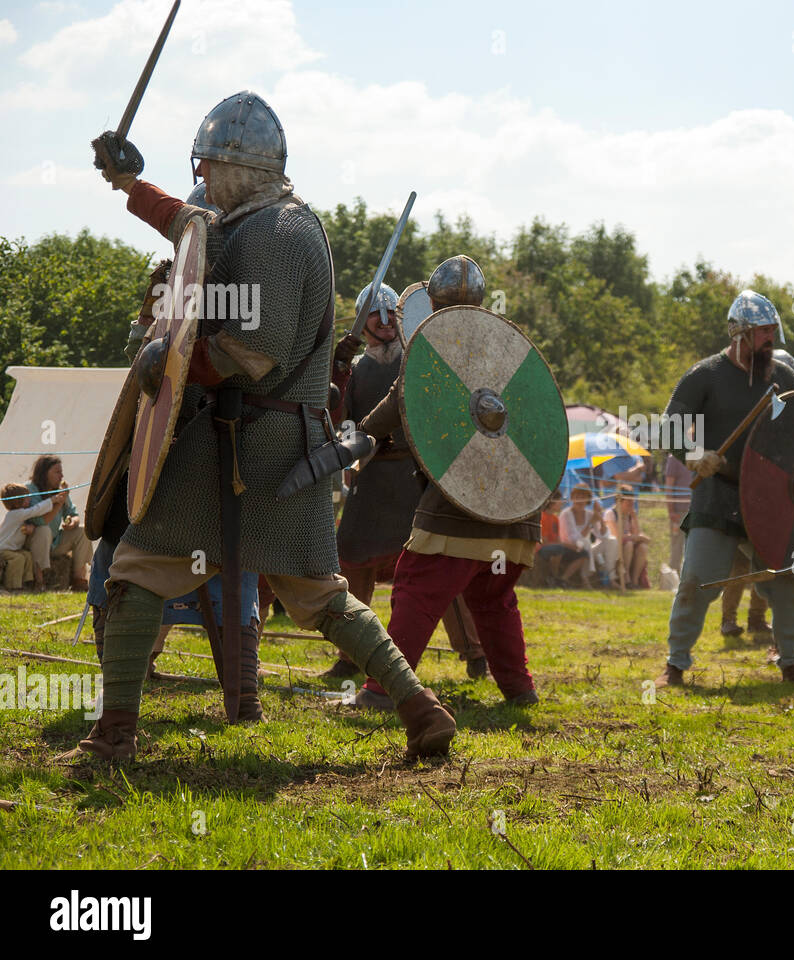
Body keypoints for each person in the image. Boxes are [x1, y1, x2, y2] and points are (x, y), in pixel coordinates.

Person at [67, 90, 456, 762]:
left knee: (136, 571)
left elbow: (255, 349)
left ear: (234, 168)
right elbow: (192, 232)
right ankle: (422, 710)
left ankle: (114, 738)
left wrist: (177, 360)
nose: (204, 178)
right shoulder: (249, 223)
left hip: (254, 443)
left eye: (210, 166)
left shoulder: (280, 233)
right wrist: (132, 183)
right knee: (320, 598)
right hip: (244, 440)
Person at [340, 254, 542, 711]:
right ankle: (519, 689)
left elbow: (397, 405)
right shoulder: (505, 341)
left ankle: (379, 691)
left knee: (416, 584)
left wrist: (356, 440)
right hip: (517, 501)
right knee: (493, 596)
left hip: (461, 499)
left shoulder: (434, 347)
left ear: (429, 302)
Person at [320, 279, 487, 681]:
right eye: (373, 315)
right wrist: (338, 371)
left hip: (416, 479)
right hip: (372, 479)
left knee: (436, 571)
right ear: (361, 324)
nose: (382, 322)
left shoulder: (417, 358)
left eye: (388, 313)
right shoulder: (356, 371)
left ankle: (476, 653)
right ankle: (351, 656)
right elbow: (339, 422)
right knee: (352, 563)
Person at [654, 289, 794, 686]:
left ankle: (792, 663)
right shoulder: (705, 375)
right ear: (739, 333)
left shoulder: (783, 378)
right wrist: (693, 454)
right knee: (696, 579)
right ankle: (675, 665)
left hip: (770, 497)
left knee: (790, 578)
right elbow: (669, 424)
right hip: (719, 494)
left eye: (772, 331)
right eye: (763, 332)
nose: (771, 339)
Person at [24, 456, 92, 590]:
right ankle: (40, 580)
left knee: (83, 531)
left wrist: (72, 522)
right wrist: (59, 501)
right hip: (33, 542)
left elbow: (73, 514)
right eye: (57, 472)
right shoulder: (30, 489)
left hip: (54, 542)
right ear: (44, 473)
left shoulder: (59, 490)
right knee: (43, 530)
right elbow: (40, 521)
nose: (61, 476)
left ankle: (78, 579)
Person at [1, 482, 54, 590]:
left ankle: (27, 582)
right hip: (3, 549)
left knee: (28, 556)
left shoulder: (19, 515)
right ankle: (13, 585)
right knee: (18, 559)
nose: (29, 499)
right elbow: (36, 510)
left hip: (13, 549)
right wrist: (52, 501)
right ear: (17, 502)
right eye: (26, 498)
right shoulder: (16, 514)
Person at [558, 485, 602, 587]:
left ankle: (611, 578)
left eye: (583, 497)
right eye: (577, 496)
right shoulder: (566, 514)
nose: (580, 500)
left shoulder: (590, 514)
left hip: (585, 547)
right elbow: (572, 538)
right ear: (572, 498)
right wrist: (590, 524)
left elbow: (602, 535)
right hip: (569, 546)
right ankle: (585, 578)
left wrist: (599, 515)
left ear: (588, 500)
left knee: (610, 541)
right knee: (586, 543)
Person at [608, 485, 651, 589]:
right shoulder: (610, 514)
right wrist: (635, 537)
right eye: (629, 502)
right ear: (620, 502)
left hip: (628, 544)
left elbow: (636, 533)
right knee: (629, 544)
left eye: (633, 502)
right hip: (614, 547)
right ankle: (626, 578)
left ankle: (635, 580)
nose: (631, 505)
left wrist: (635, 518)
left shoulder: (629, 515)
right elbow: (616, 535)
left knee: (642, 547)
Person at [663, 453, 692, 574]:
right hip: (679, 511)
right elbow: (669, 487)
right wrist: (671, 510)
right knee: (677, 546)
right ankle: (673, 576)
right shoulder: (673, 458)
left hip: (694, 509)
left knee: (690, 547)